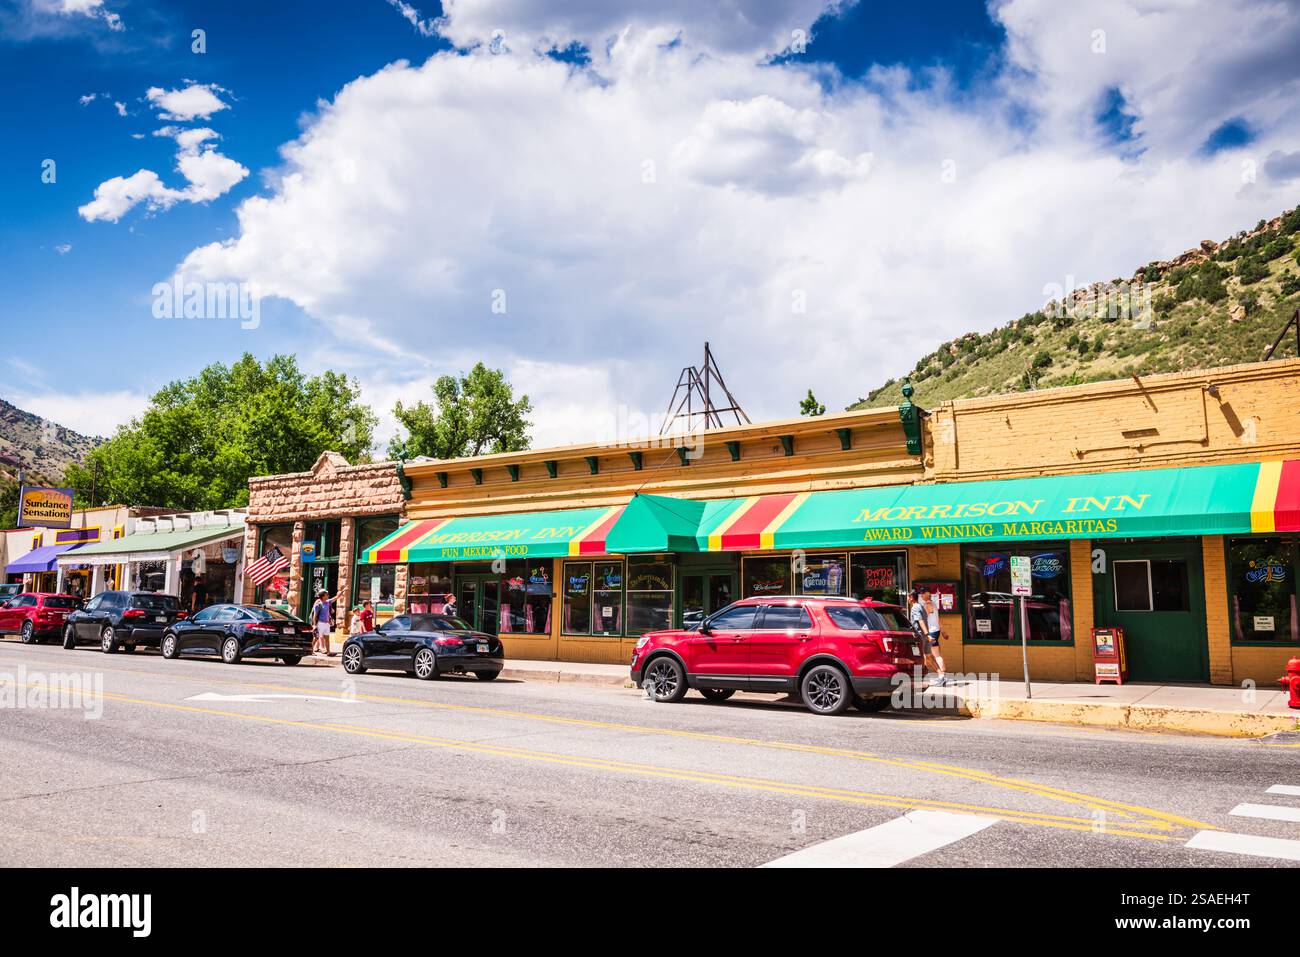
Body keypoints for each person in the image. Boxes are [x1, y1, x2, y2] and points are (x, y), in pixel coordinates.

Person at [917, 586, 947, 686]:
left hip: (932, 632)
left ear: (928, 593)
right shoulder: (933, 603)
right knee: (929, 655)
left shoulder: (928, 604)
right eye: (920, 593)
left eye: (923, 593)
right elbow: (938, 619)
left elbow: (922, 619)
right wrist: (942, 632)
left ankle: (942, 676)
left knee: (935, 655)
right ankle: (939, 676)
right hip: (935, 631)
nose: (921, 595)